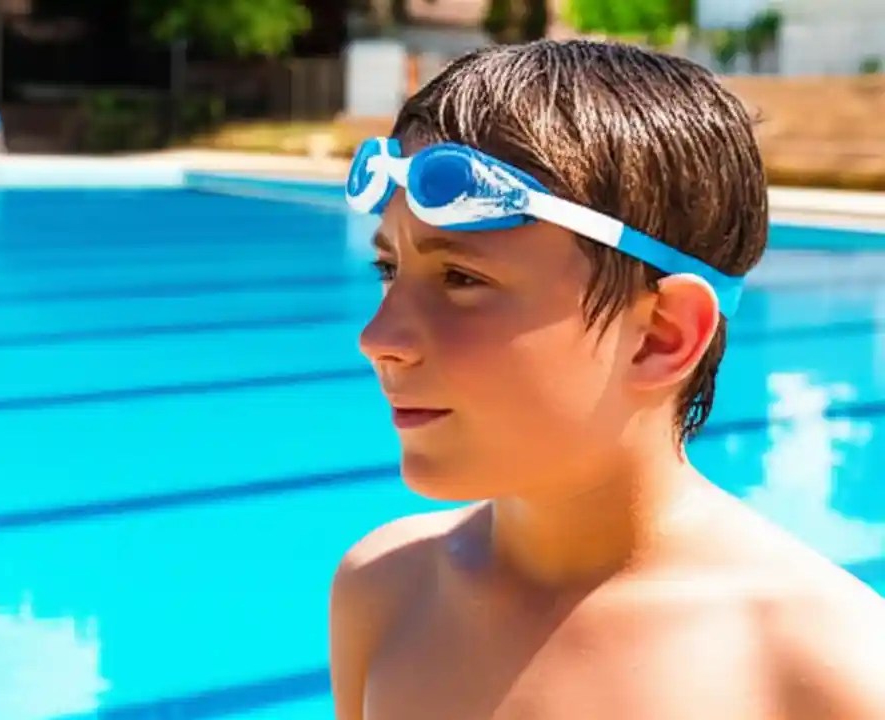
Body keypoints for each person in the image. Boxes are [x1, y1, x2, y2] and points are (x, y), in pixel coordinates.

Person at [329, 39, 885, 720]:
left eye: (461, 279)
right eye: (389, 270)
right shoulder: (385, 591)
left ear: (661, 336)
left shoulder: (828, 673)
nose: (378, 339)